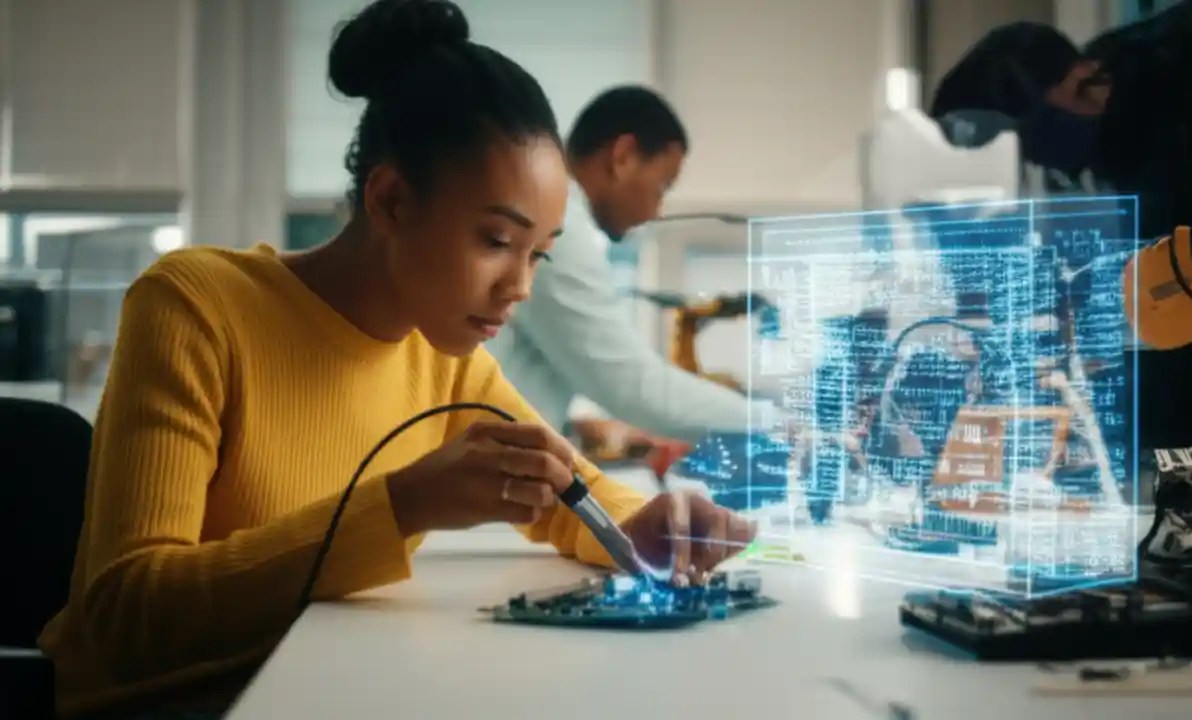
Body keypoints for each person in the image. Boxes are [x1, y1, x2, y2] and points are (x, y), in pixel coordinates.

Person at [38, 2, 755, 717]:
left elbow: (572, 494)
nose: (520, 287)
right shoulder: (196, 308)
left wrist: (642, 526)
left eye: (539, 254)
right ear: (390, 199)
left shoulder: (448, 358)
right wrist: (403, 505)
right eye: (497, 242)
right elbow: (126, 616)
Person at [928, 17, 1192, 454]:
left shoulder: (1176, 104)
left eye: (1032, 138)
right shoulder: (1117, 95)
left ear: (1078, 81)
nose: (1040, 160)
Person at [486, 86, 778, 443]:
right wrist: (775, 422)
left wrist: (577, 427)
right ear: (622, 156)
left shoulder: (560, 217)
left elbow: (532, 361)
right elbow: (632, 386)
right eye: (662, 187)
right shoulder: (560, 223)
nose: (656, 211)